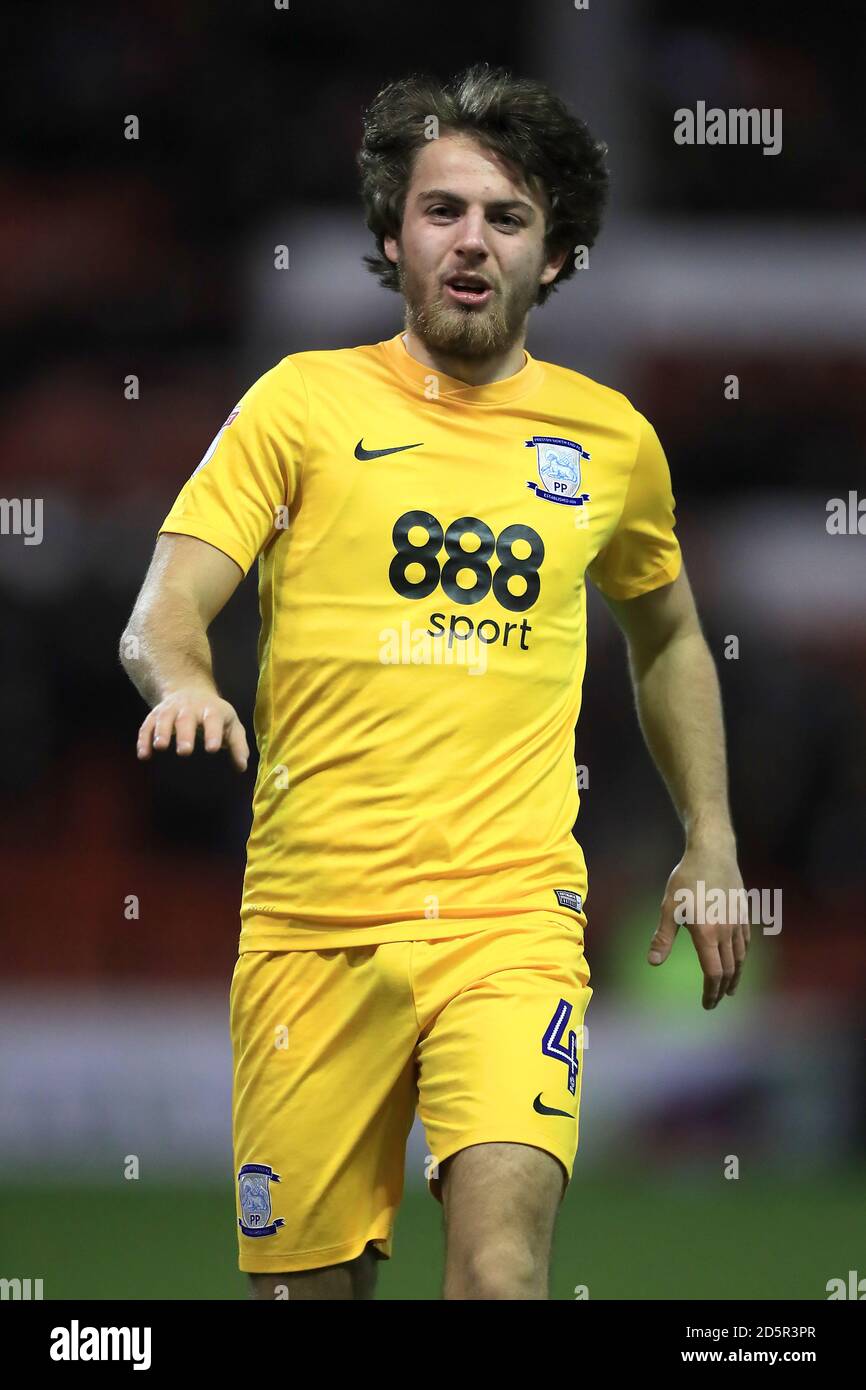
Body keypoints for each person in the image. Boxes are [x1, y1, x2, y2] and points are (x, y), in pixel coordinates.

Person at [119, 63, 747, 1301]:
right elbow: (163, 612)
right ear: (393, 235)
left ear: (554, 254)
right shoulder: (299, 406)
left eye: (506, 219)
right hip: (313, 931)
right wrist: (182, 685)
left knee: (500, 1275)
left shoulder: (608, 441)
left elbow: (667, 633)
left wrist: (709, 838)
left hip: (510, 923)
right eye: (442, 210)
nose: (472, 242)